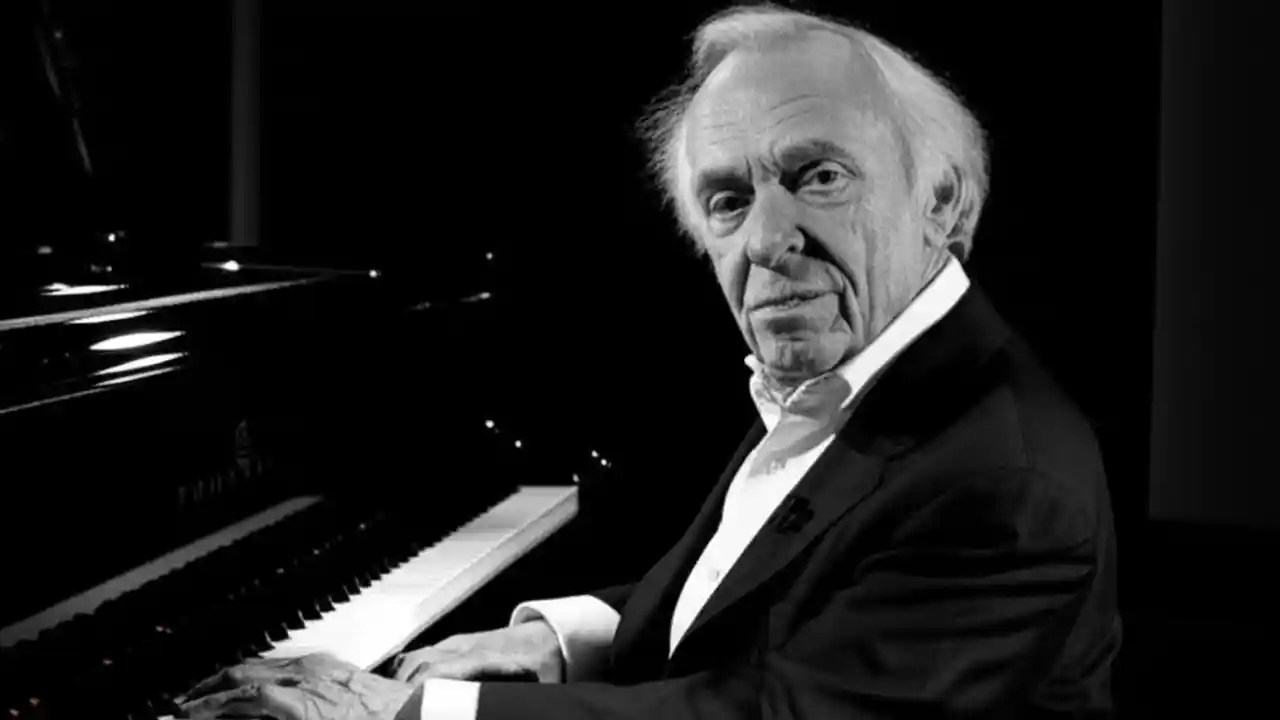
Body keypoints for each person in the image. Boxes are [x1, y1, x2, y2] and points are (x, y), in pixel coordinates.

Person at [178, 4, 1122, 718]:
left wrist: (418, 710)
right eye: (726, 201)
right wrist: (553, 641)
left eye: (819, 176)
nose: (766, 240)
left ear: (941, 202)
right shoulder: (869, 376)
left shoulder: (1002, 478)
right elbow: (758, 591)